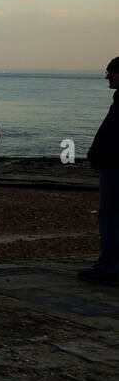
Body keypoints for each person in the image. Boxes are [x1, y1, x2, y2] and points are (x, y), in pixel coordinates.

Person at [79, 56, 119, 285]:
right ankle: (109, 265)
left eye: (111, 72)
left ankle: (109, 267)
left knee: (111, 218)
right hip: (111, 166)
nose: (107, 77)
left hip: (114, 168)